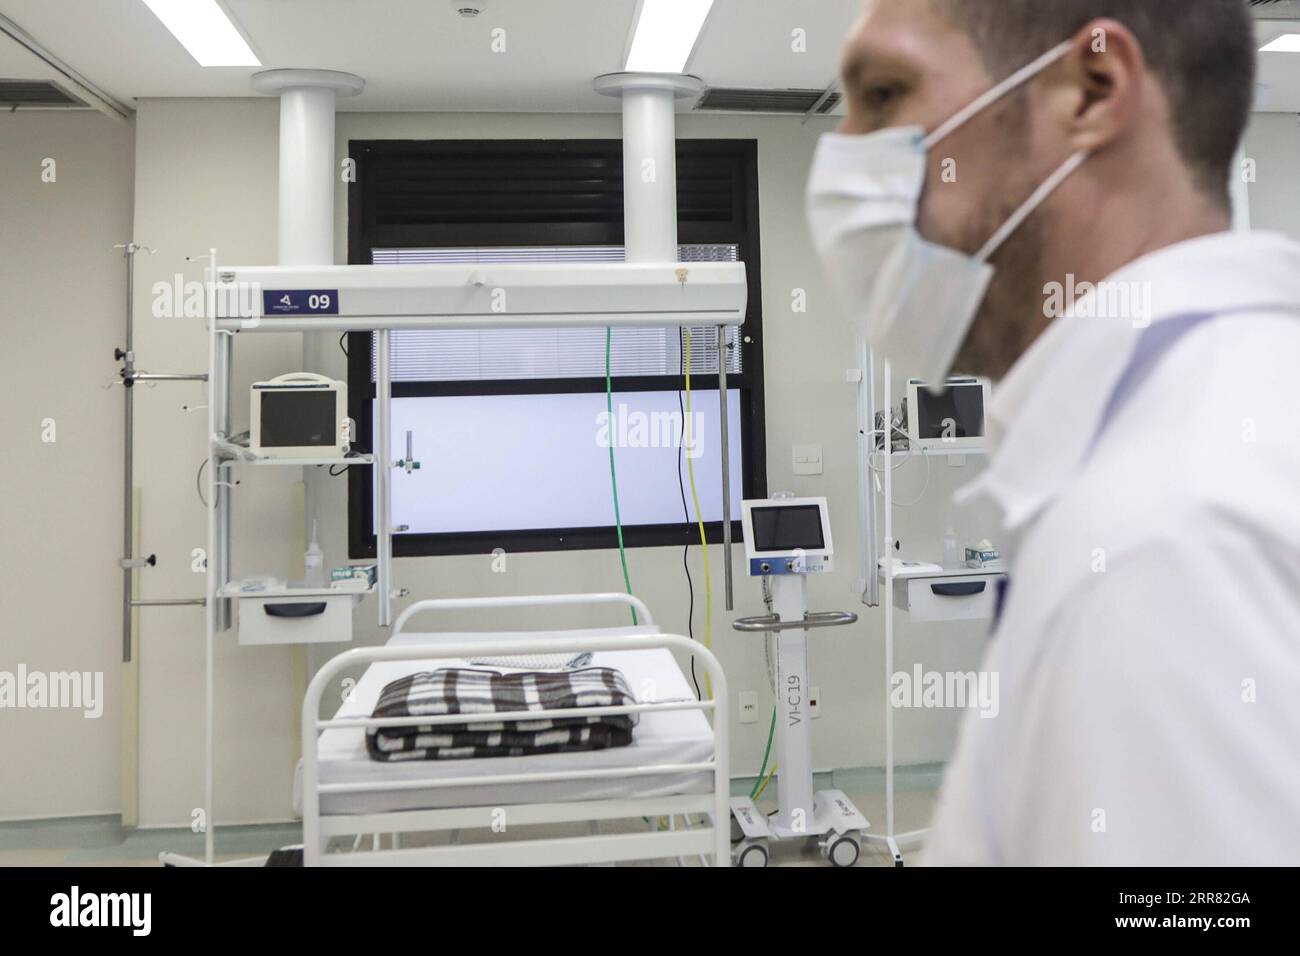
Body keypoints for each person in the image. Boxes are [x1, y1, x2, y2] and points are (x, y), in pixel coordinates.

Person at [806, 0, 1300, 864]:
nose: (843, 154)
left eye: (884, 93)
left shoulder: (1175, 539)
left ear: (1092, 89)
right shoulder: (1208, 423)